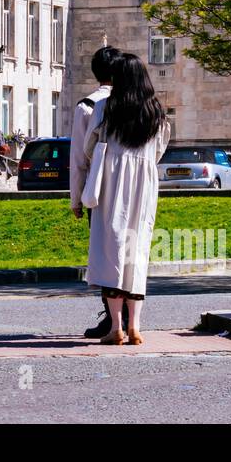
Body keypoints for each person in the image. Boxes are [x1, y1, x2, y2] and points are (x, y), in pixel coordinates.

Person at [79, 52, 171, 346]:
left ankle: (115, 327)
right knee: (136, 250)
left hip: (112, 180)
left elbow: (89, 147)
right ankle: (136, 326)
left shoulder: (105, 107)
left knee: (111, 249)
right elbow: (158, 151)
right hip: (143, 182)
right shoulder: (156, 112)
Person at [69, 45, 128, 339]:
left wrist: (76, 198)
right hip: (130, 187)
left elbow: (79, 158)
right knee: (128, 248)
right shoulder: (133, 103)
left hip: (99, 188)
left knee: (105, 254)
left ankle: (112, 317)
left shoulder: (87, 106)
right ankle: (129, 316)